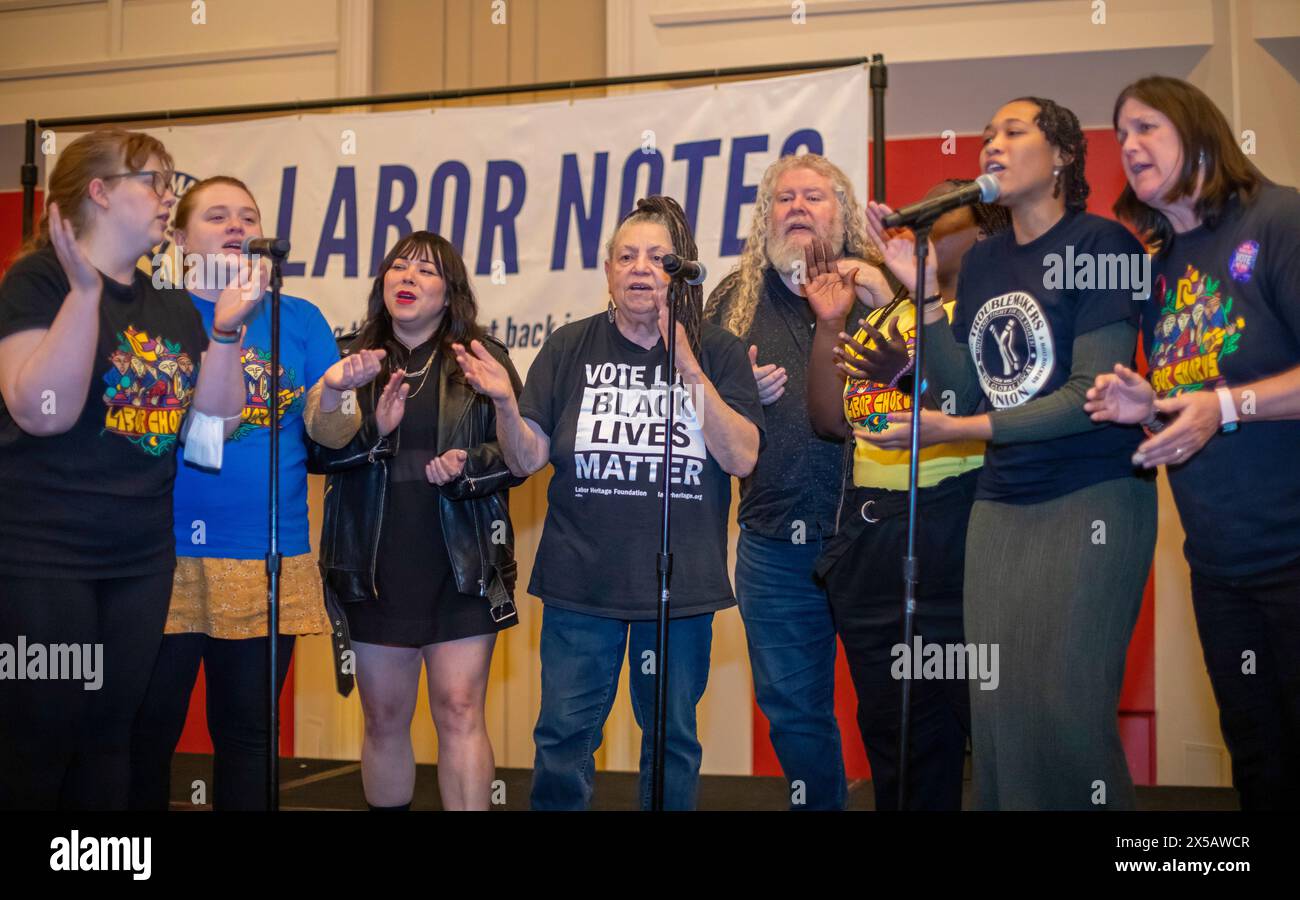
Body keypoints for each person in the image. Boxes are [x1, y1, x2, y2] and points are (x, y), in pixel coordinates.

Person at [860, 97, 1157, 810]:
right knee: (997, 717)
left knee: (1065, 709)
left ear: (1060, 156)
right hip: (1000, 508)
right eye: (986, 133)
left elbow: (1090, 394)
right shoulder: (988, 259)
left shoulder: (1103, 248)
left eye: (1013, 131)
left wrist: (951, 432)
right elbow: (971, 390)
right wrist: (926, 296)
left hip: (1091, 501)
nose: (991, 142)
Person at [454, 196, 763, 810]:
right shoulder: (570, 346)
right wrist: (506, 406)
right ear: (608, 270)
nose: (641, 267)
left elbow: (742, 458)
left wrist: (689, 367)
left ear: (679, 272)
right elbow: (526, 459)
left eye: (657, 257)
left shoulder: (718, 351)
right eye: (627, 256)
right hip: (580, 586)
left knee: (671, 741)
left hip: (679, 591)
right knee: (564, 738)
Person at [0, 127, 260, 810]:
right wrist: (85, 295)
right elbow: (42, 410)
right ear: (99, 192)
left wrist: (227, 332)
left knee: (111, 734)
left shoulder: (171, 305)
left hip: (140, 556)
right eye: (154, 179)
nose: (168, 194)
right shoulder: (37, 282)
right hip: (44, 555)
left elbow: (212, 430)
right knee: (43, 732)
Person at [1086, 75, 1300, 810]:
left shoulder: (1279, 220)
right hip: (1217, 568)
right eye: (1120, 136)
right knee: (1260, 766)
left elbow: (1225, 399)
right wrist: (1152, 405)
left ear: (1198, 129)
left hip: (1294, 556)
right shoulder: (1163, 262)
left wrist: (1225, 405)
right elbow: (1196, 396)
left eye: (1145, 127)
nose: (1130, 146)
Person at [128, 176, 371, 811]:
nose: (237, 226)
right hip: (157, 556)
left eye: (248, 215)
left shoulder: (300, 317)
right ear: (178, 239)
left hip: (265, 551)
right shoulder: (154, 313)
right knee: (143, 731)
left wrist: (340, 390)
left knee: (248, 734)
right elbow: (164, 434)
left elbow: (332, 434)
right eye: (217, 216)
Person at [805, 181, 1011, 810]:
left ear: (982, 233)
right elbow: (831, 420)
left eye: (939, 219)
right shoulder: (890, 316)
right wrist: (833, 321)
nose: (919, 231)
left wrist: (915, 348)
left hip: (956, 528)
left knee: (981, 720)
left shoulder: (991, 314)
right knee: (897, 734)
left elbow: (965, 404)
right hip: (872, 537)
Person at [309, 230, 523, 811]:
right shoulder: (352, 361)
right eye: (398, 267)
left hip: (461, 559)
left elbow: (521, 456)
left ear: (450, 293)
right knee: (383, 716)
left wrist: (468, 466)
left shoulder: (482, 358)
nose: (407, 278)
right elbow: (315, 455)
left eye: (426, 271)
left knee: (459, 709)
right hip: (373, 560)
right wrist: (373, 433)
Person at [702, 153, 869, 810]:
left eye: (814, 196)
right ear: (765, 216)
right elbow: (697, 408)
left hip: (874, 538)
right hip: (773, 544)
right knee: (796, 719)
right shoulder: (730, 298)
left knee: (897, 706)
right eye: (784, 198)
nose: (797, 207)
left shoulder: (878, 288)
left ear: (843, 213)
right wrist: (732, 390)